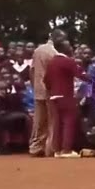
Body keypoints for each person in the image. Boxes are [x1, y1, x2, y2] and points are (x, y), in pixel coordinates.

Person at [29, 29, 66, 157]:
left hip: (38, 89)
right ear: (57, 39)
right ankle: (49, 148)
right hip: (51, 90)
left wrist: (35, 86)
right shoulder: (55, 54)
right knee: (52, 121)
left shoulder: (38, 50)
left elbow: (32, 71)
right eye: (62, 39)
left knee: (39, 121)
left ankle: (35, 147)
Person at [45, 39, 83, 158]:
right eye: (69, 46)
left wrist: (52, 91)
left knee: (57, 124)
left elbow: (46, 80)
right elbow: (80, 75)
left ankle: (58, 150)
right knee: (68, 122)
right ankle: (66, 150)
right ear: (64, 48)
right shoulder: (68, 61)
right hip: (66, 96)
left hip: (53, 97)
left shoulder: (51, 62)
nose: (71, 48)